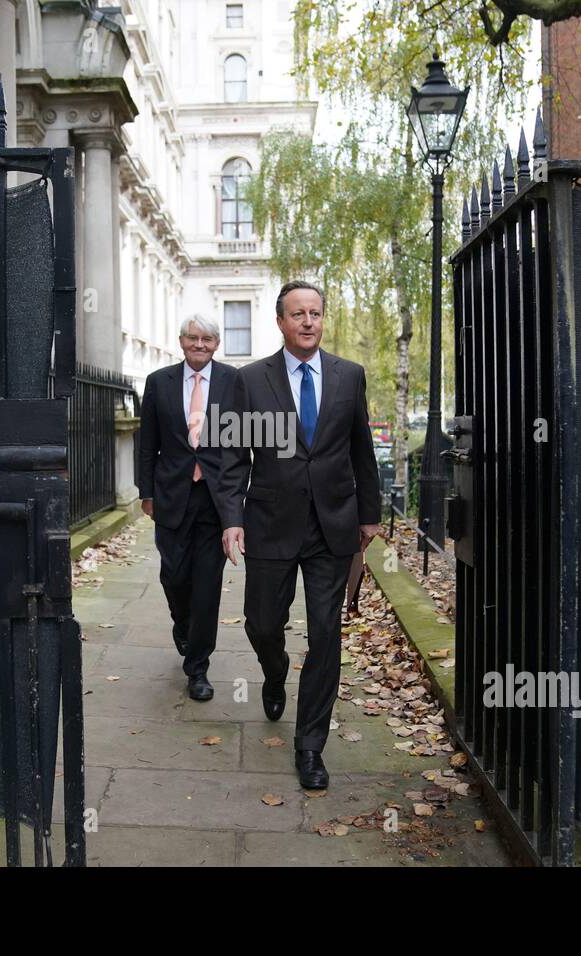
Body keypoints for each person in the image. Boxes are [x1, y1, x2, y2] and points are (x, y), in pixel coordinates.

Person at [217, 281, 381, 790]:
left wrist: (369, 514)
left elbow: (361, 450)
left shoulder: (349, 376)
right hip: (270, 522)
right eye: (298, 314)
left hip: (332, 525)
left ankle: (310, 746)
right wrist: (231, 518)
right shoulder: (249, 381)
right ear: (281, 322)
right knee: (263, 623)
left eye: (315, 313)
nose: (308, 321)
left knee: (327, 634)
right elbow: (231, 458)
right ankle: (273, 667)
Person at [137, 316, 237, 701]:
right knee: (174, 576)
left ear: (216, 344)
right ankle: (183, 625)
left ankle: (198, 668)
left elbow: (241, 441)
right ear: (181, 341)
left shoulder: (233, 381)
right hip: (172, 495)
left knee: (208, 585)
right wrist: (146, 492)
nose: (199, 344)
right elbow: (147, 443)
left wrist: (238, 502)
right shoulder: (159, 382)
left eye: (207, 338)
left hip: (216, 497)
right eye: (193, 337)